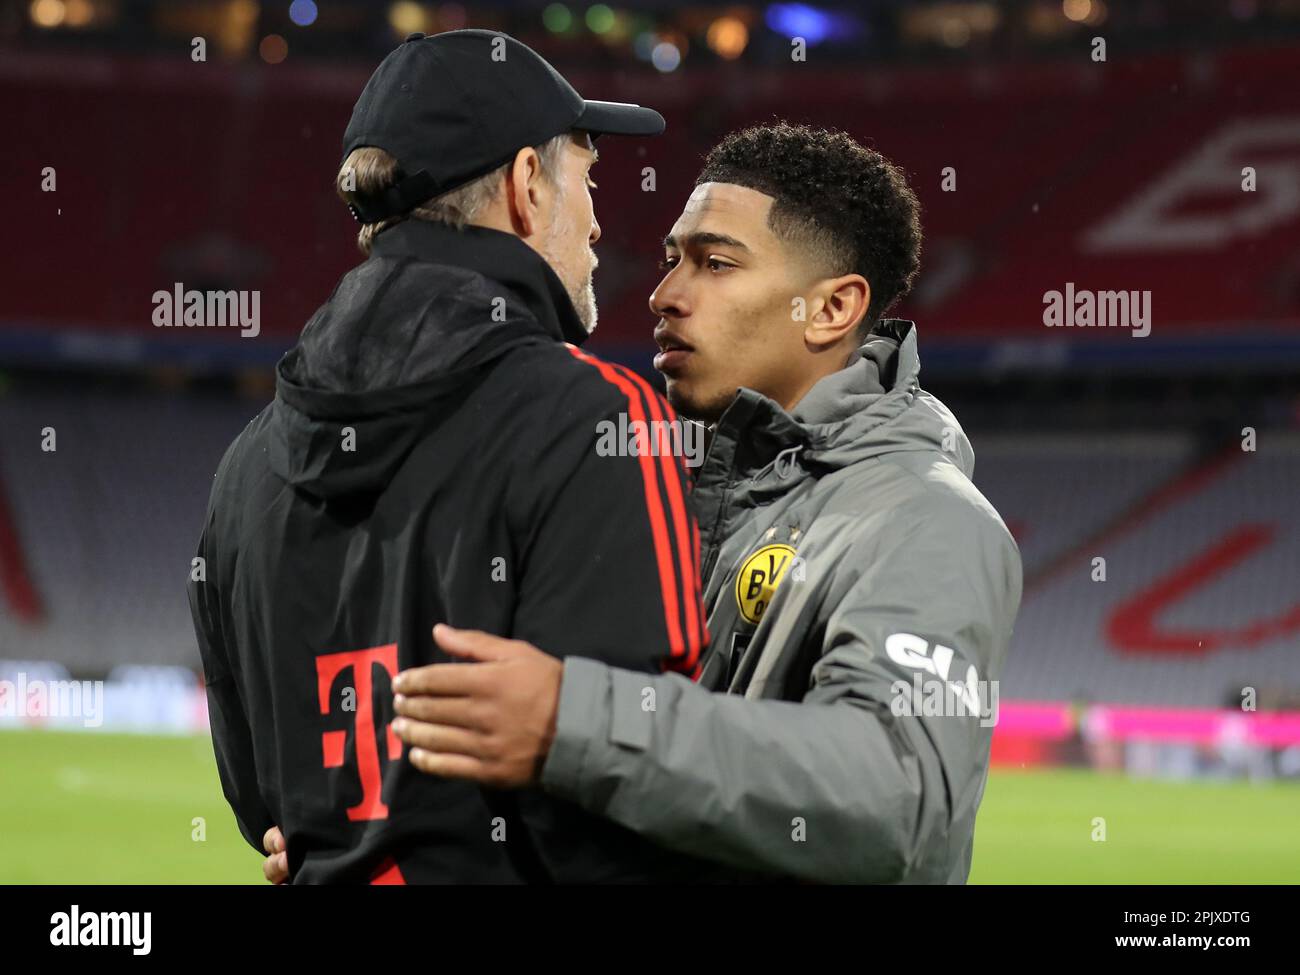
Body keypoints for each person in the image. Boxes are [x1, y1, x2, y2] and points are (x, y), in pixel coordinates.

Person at [383, 123, 1024, 884]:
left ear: (831, 309)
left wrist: (574, 717)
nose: (664, 296)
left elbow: (898, 795)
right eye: (670, 260)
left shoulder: (927, 522)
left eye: (716, 264)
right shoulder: (650, 477)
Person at [189, 29, 737, 883]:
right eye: (588, 178)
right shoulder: (598, 416)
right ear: (525, 185)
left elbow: (260, 803)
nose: (599, 222)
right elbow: (636, 798)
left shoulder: (243, 467)